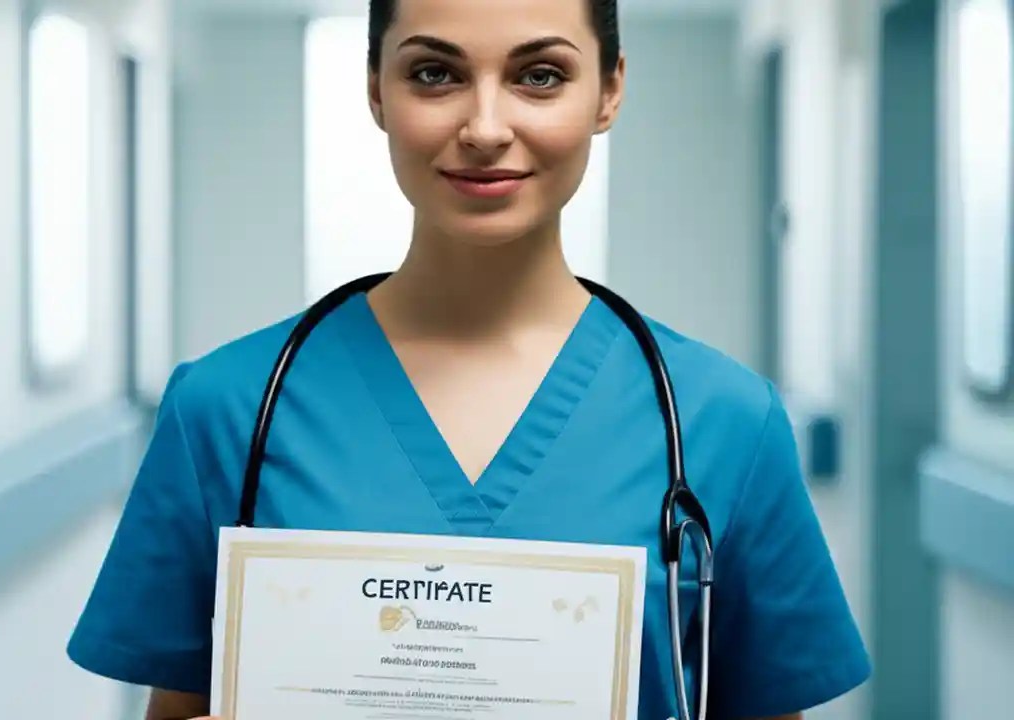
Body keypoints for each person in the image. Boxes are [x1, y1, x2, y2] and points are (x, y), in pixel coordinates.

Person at [67, 0, 872, 718]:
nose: (486, 127)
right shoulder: (225, 408)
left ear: (610, 91)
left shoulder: (726, 422)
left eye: (541, 75)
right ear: (378, 91)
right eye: (434, 73)